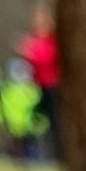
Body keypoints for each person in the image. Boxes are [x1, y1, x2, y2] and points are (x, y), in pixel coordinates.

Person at [18, 10, 60, 159]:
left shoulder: (52, 40)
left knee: (56, 123)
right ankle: (29, 154)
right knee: (30, 121)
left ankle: (58, 154)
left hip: (51, 86)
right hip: (34, 87)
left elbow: (48, 59)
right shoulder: (31, 39)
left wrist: (31, 55)